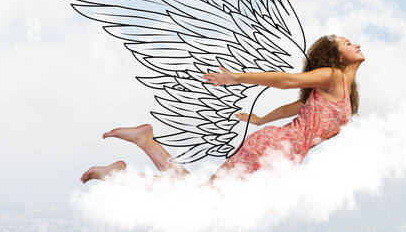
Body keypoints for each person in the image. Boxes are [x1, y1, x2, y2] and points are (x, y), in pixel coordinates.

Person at [79, 34, 363, 183]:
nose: (357, 44)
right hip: (273, 150)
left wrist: (262, 119)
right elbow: (289, 81)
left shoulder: (340, 92)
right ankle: (123, 167)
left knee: (201, 201)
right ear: (334, 58)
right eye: (348, 43)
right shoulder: (332, 76)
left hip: (280, 153)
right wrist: (237, 77)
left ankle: (143, 143)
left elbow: (298, 106)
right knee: (200, 203)